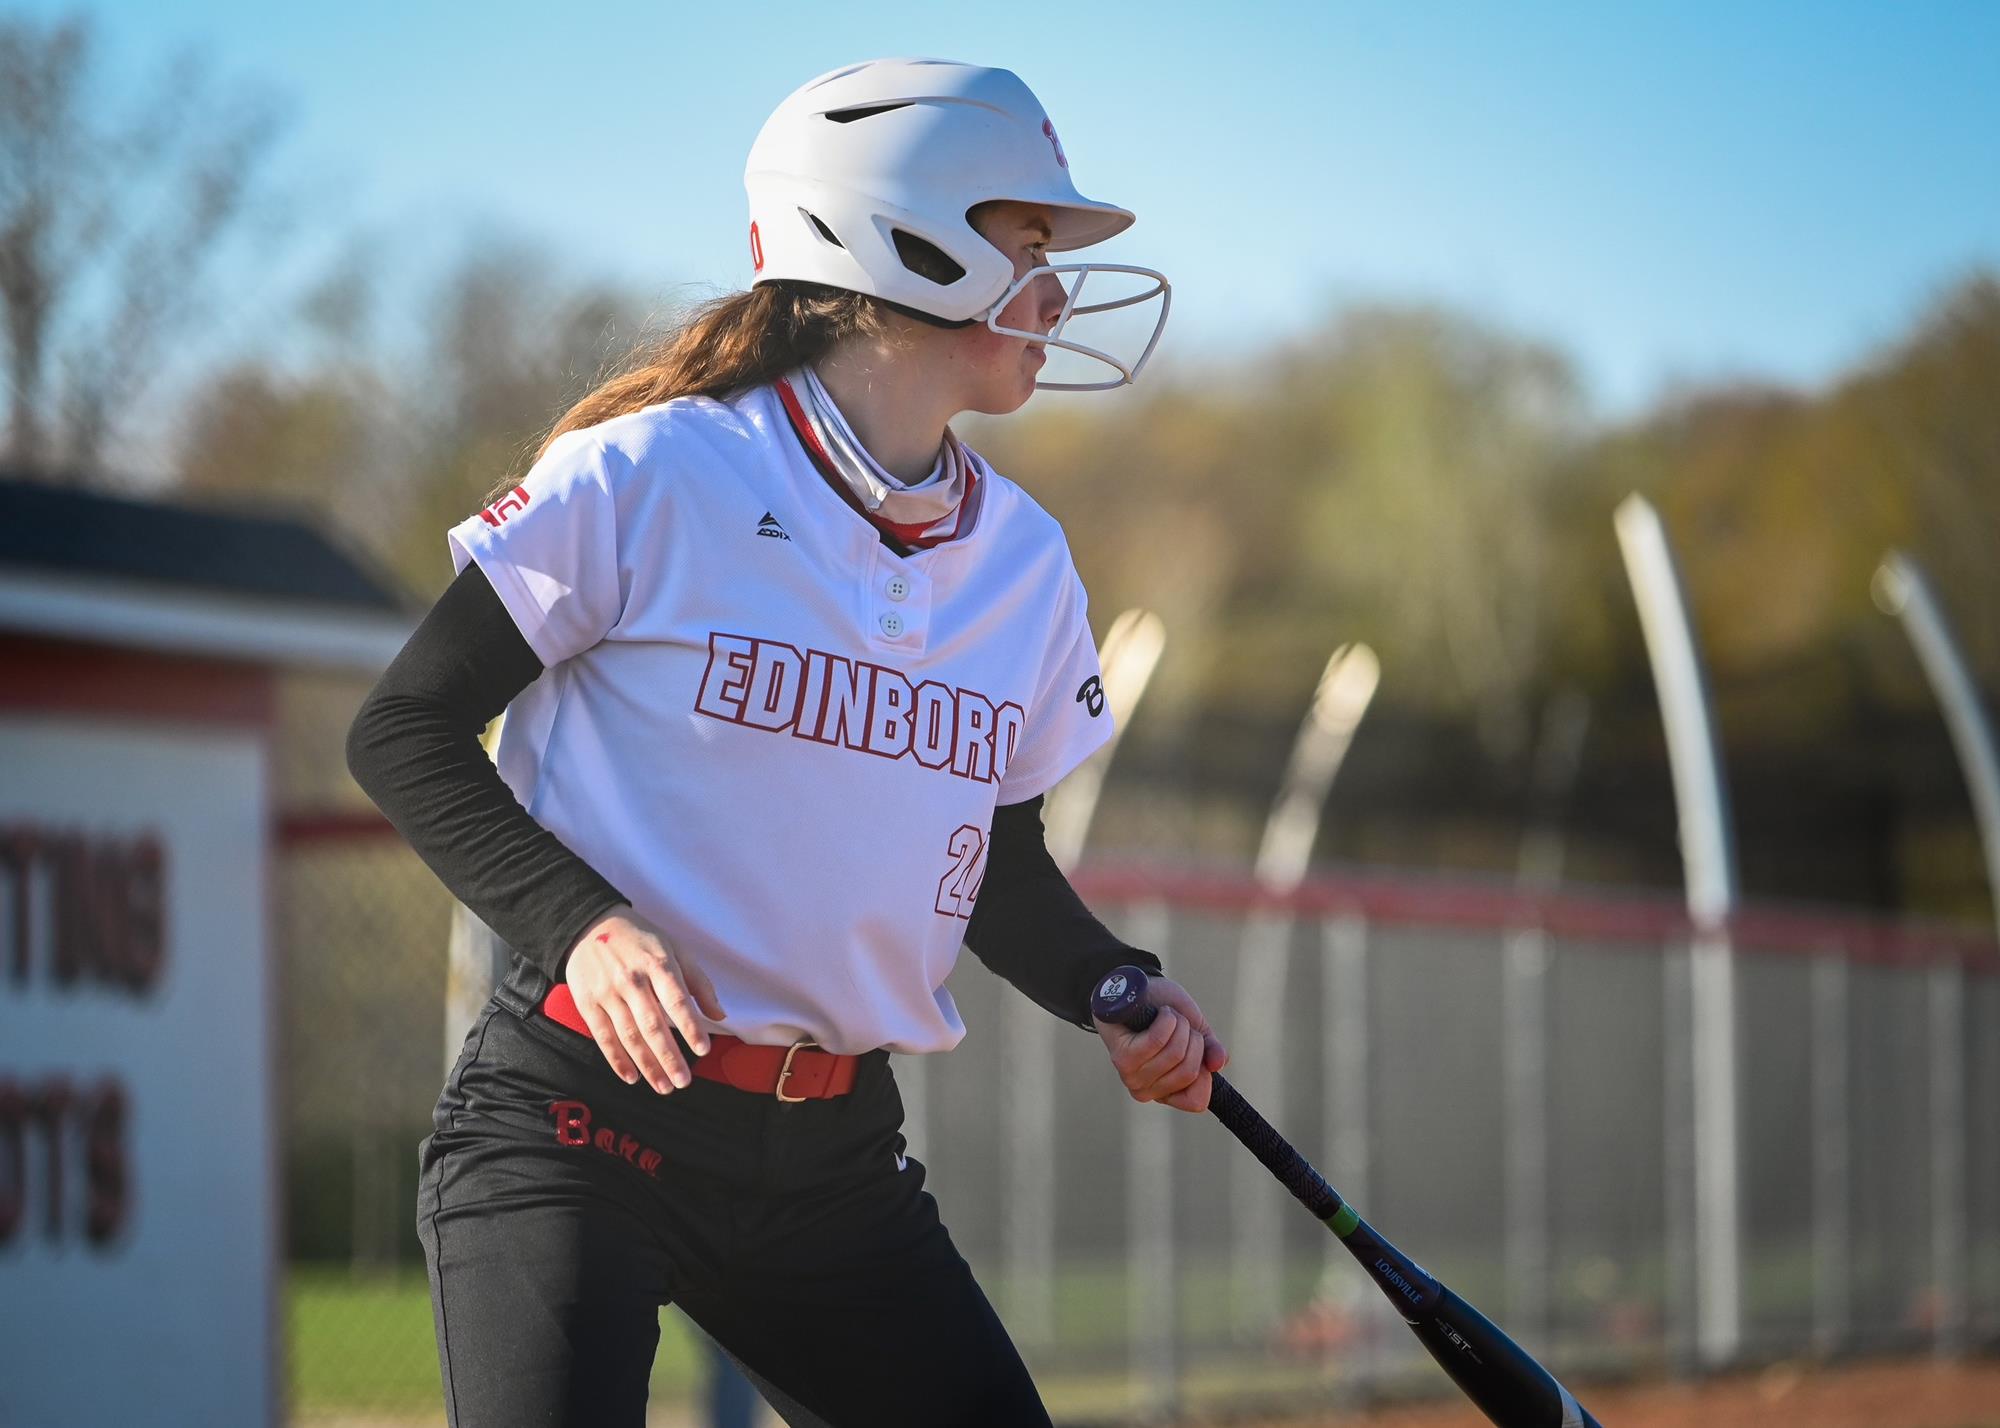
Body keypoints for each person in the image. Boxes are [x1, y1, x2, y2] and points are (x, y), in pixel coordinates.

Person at [346, 57, 1226, 1428]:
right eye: (1027, 240)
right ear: (902, 234)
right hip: (582, 1121)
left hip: (832, 1161)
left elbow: (985, 863)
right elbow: (403, 729)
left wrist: (1115, 986)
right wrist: (583, 923)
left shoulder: (1027, 566)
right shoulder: (654, 473)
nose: (1054, 287)